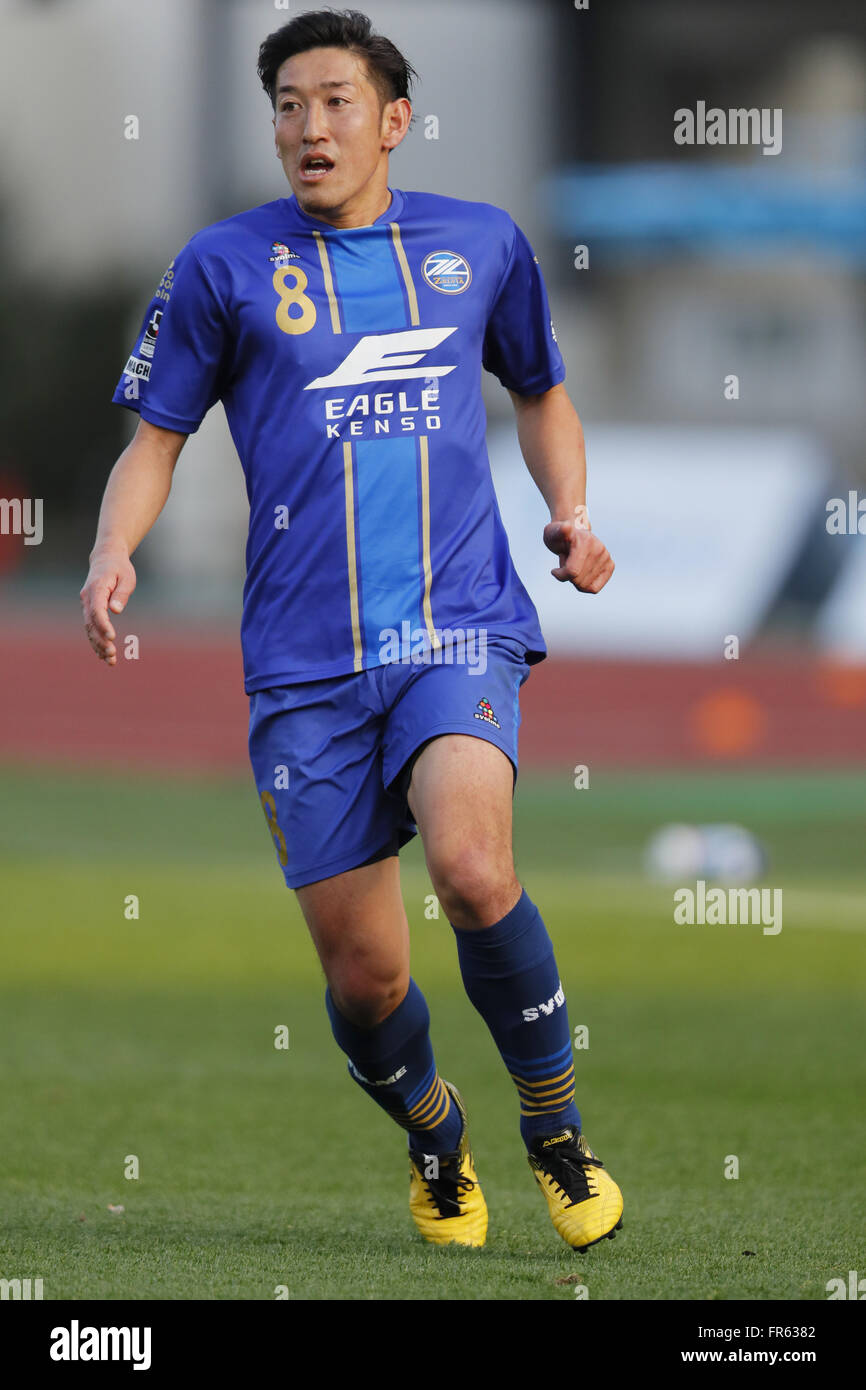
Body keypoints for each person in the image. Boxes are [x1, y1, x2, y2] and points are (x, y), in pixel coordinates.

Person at [80, 8, 622, 1252]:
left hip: (456, 629)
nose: (307, 127)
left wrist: (571, 514)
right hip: (303, 669)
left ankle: (554, 1130)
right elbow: (153, 442)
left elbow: (541, 393)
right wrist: (114, 549)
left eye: (333, 102)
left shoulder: (479, 245)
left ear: (391, 121)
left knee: (474, 868)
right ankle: (438, 1136)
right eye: (286, 104)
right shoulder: (219, 266)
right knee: (366, 979)